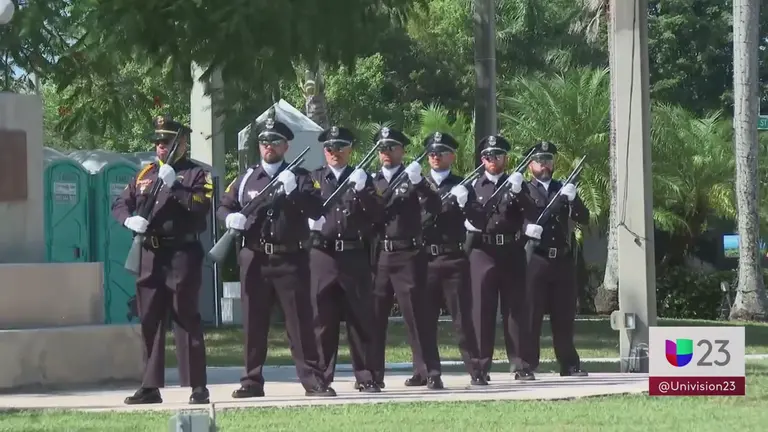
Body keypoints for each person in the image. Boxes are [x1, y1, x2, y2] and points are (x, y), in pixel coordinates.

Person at [216, 117, 335, 398]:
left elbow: (318, 211)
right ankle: (251, 380)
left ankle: (312, 380)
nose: (269, 146)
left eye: (275, 142)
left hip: (290, 259)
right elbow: (224, 205)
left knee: (300, 324)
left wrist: (293, 190)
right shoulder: (247, 177)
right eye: (264, 142)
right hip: (254, 258)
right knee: (254, 324)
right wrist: (229, 218)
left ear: (286, 146)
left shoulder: (302, 178)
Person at [112, 115, 211, 405]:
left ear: (182, 143)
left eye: (166, 142)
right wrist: (128, 221)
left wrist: (177, 188)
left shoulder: (196, 175)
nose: (161, 148)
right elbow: (120, 202)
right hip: (151, 254)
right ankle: (150, 385)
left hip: (182, 254)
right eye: (158, 143)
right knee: (149, 319)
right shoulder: (146, 174)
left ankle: (197, 385)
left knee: (186, 318)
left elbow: (201, 206)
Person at [307, 126, 383, 393]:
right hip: (323, 255)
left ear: (350, 150)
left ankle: (366, 376)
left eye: (340, 147)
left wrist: (363, 191)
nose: (334, 152)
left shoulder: (363, 179)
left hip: (353, 255)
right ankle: (321, 379)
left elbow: (378, 216)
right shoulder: (313, 178)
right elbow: (298, 207)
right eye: (329, 148)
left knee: (360, 319)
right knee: (321, 321)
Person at [370, 127, 442, 389]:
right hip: (381, 255)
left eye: (391, 148)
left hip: (408, 254)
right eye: (382, 149)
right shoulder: (372, 180)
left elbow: (436, 206)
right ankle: (372, 374)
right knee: (375, 318)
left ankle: (429, 372)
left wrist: (420, 183)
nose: (385, 153)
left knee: (417, 316)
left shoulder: (413, 177)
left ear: (402, 150)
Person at [464, 135, 540, 382]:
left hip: (511, 251)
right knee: (481, 311)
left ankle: (520, 363)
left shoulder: (518, 184)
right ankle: (480, 367)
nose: (492, 160)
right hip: (482, 252)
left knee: (516, 310)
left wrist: (519, 192)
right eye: (487, 156)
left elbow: (533, 213)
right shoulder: (473, 186)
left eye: (497, 155)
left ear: (506, 158)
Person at [420, 132, 485, 385]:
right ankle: (432, 373)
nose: (435, 157)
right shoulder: (418, 185)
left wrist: (466, 202)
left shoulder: (463, 185)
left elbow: (479, 221)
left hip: (454, 257)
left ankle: (477, 371)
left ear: (452, 156)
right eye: (432, 153)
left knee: (463, 320)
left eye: (441, 152)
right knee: (426, 321)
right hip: (425, 260)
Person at [523, 141, 590, 377]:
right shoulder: (523, 189)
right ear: (530, 165)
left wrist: (573, 199)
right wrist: (525, 229)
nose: (544, 165)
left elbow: (584, 218)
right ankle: (527, 365)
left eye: (548, 160)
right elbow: (511, 217)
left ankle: (569, 364)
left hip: (561, 260)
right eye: (540, 161)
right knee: (531, 315)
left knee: (564, 316)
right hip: (536, 259)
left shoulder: (563, 188)